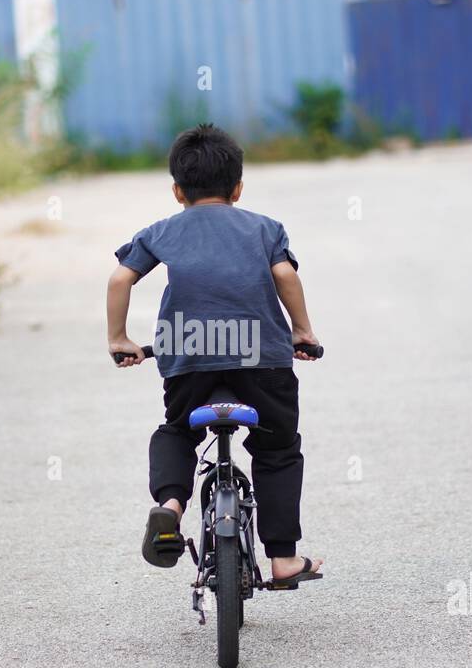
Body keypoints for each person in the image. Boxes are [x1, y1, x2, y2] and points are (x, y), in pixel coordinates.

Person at [106, 123, 324, 587]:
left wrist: (120, 339)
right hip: (261, 359)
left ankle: (170, 506)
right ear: (238, 188)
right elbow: (285, 277)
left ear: (177, 191)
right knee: (278, 448)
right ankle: (283, 558)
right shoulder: (265, 228)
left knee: (178, 432)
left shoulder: (160, 232)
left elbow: (119, 279)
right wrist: (302, 331)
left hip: (188, 359)